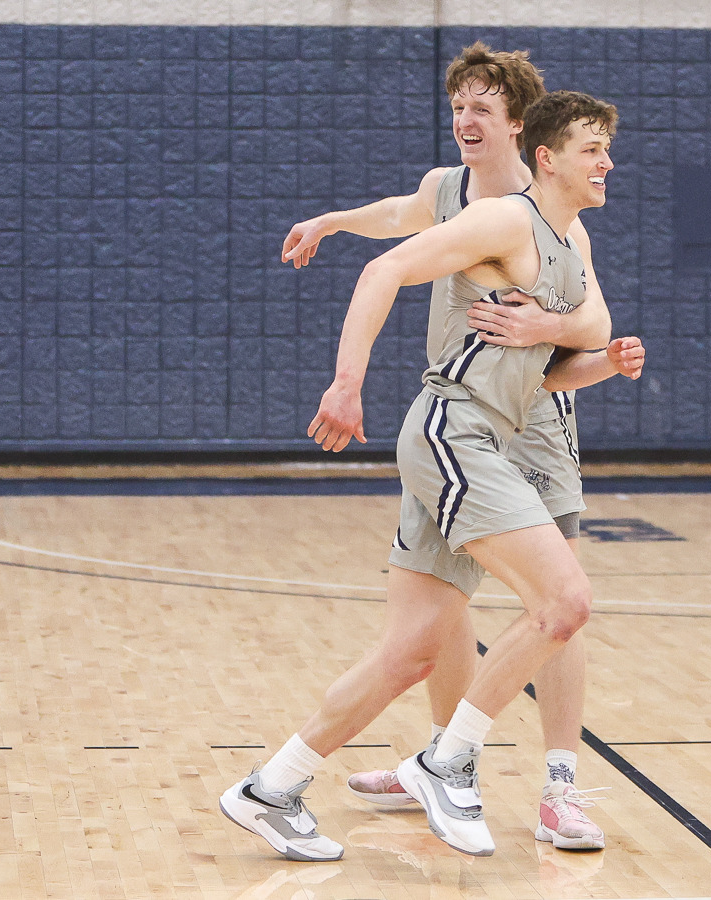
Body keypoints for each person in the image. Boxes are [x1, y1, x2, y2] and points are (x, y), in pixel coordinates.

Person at [221, 90, 622, 861]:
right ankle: (449, 761)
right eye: (593, 148)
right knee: (565, 598)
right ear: (546, 155)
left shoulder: (573, 239)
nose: (607, 162)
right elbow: (385, 265)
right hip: (458, 434)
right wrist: (346, 383)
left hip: (490, 439)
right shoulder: (505, 217)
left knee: (411, 650)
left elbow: (595, 326)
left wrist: (559, 331)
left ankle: (270, 788)